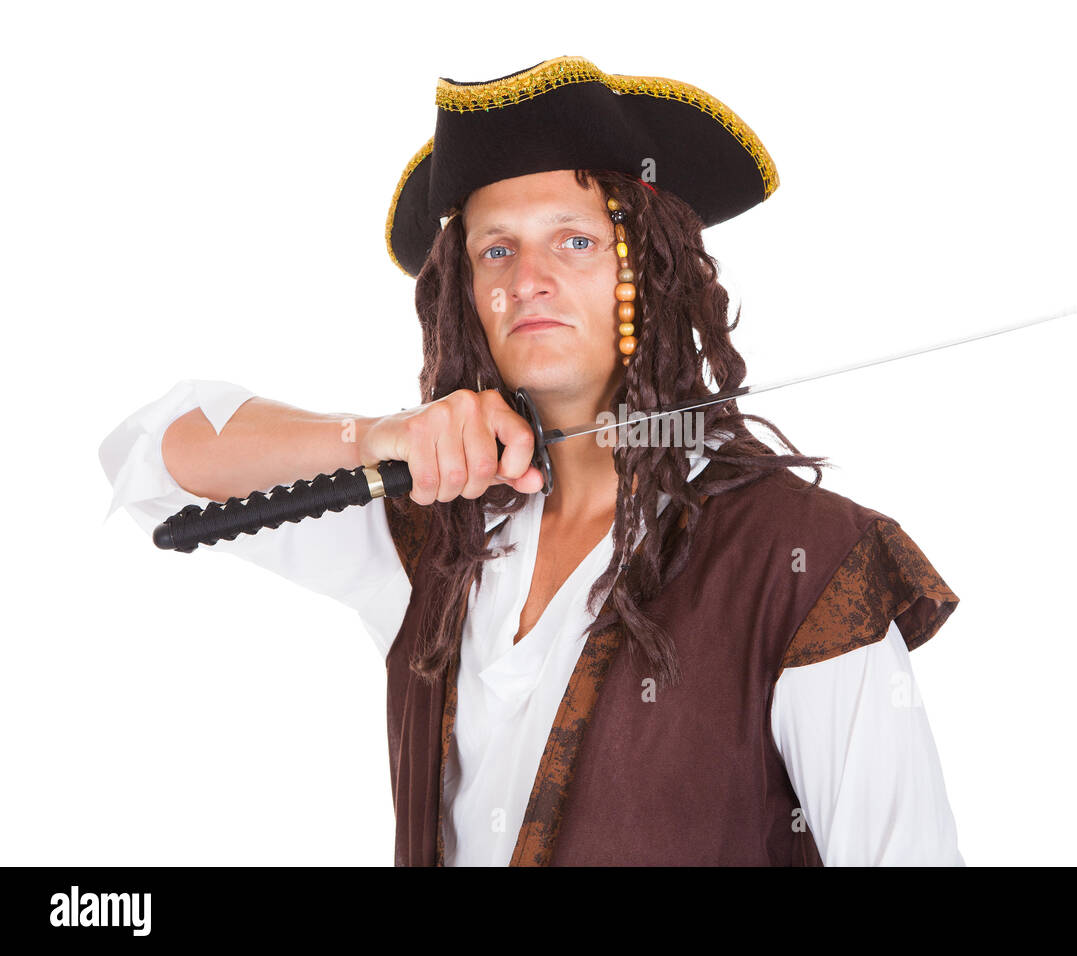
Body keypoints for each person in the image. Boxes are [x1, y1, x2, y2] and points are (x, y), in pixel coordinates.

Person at [99, 56, 965, 866]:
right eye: (496, 249)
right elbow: (158, 455)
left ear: (651, 268)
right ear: (467, 295)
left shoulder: (801, 564)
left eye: (575, 241)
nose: (529, 278)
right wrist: (374, 437)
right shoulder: (434, 522)